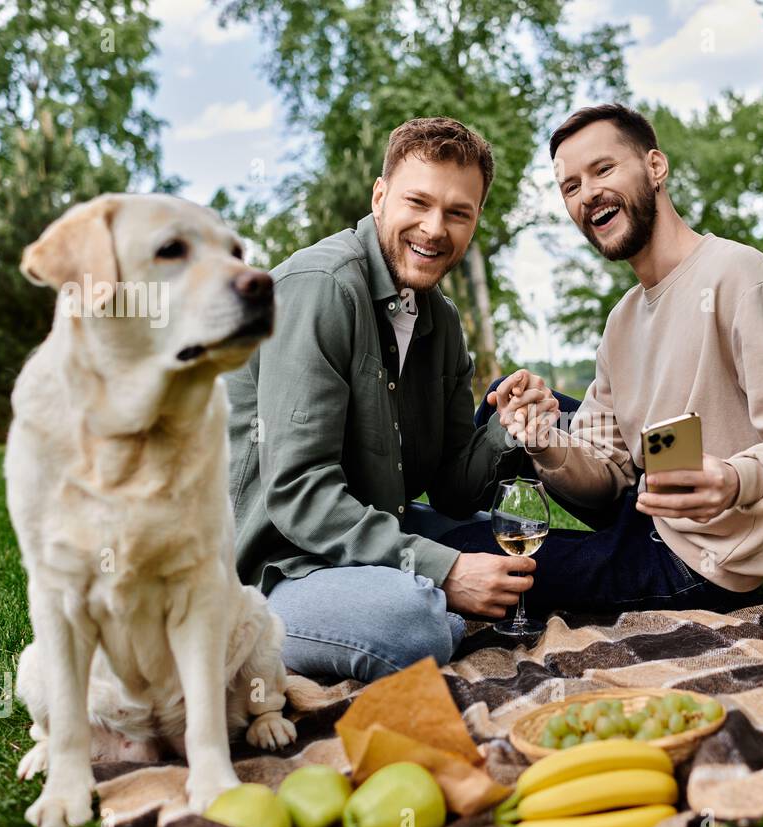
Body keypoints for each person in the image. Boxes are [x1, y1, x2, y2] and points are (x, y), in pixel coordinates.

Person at [440, 104, 763, 615]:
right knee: (508, 401)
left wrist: (734, 480)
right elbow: (610, 473)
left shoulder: (742, 279)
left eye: (603, 169)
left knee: (457, 559)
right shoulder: (624, 319)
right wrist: (546, 441)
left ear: (656, 167)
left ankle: (436, 536)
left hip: (700, 561)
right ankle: (457, 513)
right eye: (571, 187)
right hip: (653, 500)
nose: (587, 193)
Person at [225, 117, 552, 681]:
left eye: (458, 212)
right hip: (263, 568)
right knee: (412, 625)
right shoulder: (321, 289)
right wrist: (446, 573)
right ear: (380, 197)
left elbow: (453, 488)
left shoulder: (440, 321)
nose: (434, 228)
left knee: (532, 560)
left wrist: (509, 423)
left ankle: (671, 568)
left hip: (365, 539)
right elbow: (300, 495)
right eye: (417, 202)